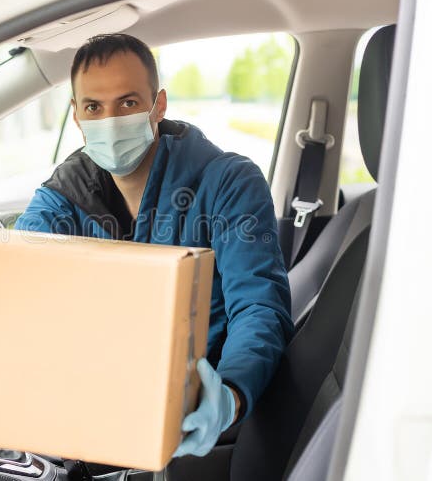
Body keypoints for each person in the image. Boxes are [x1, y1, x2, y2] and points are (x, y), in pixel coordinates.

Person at [15, 33, 293, 458]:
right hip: (93, 413)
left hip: (194, 421)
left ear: (158, 105)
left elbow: (258, 306)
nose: (110, 121)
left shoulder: (228, 183)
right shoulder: (64, 195)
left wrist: (229, 394)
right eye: (94, 107)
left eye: (127, 103)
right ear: (77, 116)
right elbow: (15, 279)